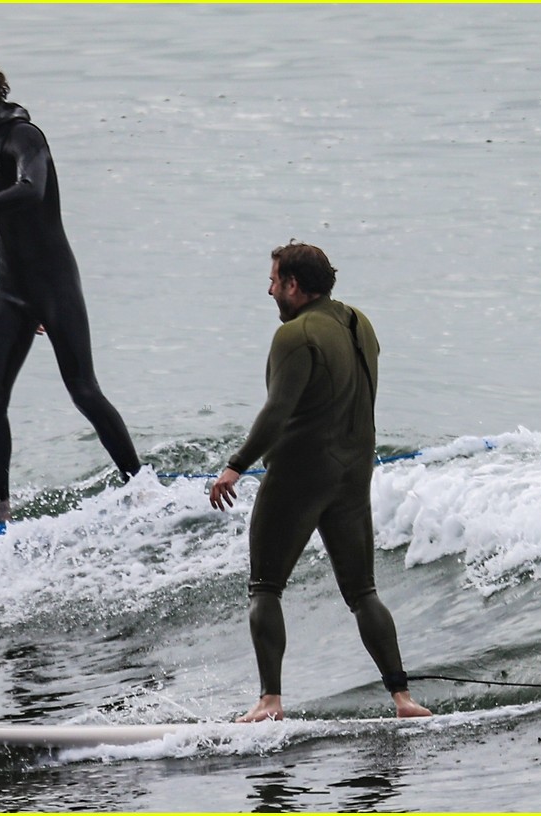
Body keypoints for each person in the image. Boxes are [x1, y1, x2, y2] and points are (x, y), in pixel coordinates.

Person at [209, 241, 432, 723]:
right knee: (363, 593)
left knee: (265, 588)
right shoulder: (359, 323)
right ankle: (403, 699)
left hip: (298, 476)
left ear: (293, 284)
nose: (268, 290)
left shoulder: (294, 336)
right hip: (352, 475)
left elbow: (276, 413)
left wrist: (236, 465)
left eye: (273, 281)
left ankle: (270, 702)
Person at [0, 53, 141, 526]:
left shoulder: (26, 137)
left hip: (53, 284)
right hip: (12, 287)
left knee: (84, 391)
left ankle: (141, 485)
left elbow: (32, 190)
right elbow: (11, 222)